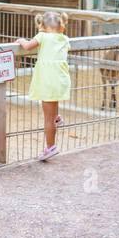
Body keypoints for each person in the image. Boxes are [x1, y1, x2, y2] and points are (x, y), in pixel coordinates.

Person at [14, 11, 71, 161]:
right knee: (54, 102)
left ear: (42, 26)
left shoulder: (42, 37)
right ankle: (57, 117)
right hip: (60, 80)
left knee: (48, 119)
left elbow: (27, 46)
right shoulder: (64, 39)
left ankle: (51, 147)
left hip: (48, 80)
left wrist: (20, 40)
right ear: (61, 26)